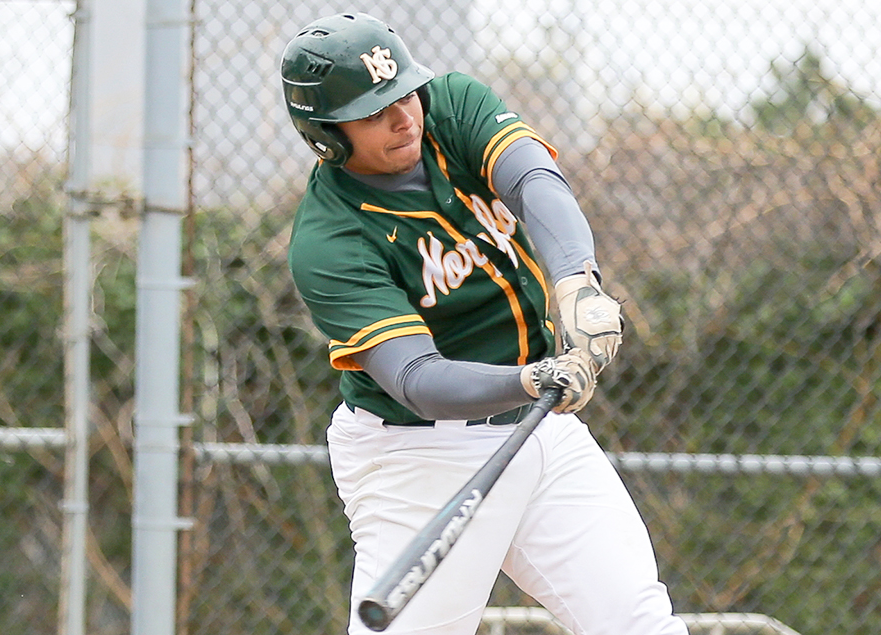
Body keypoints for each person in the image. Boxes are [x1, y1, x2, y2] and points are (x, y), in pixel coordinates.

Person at [280, 12, 689, 635]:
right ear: (326, 137)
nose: (403, 117)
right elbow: (417, 378)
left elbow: (534, 180)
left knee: (635, 621)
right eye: (372, 112)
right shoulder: (330, 239)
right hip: (418, 451)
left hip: (540, 430)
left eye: (403, 94)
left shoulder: (451, 105)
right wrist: (532, 379)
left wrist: (576, 281)